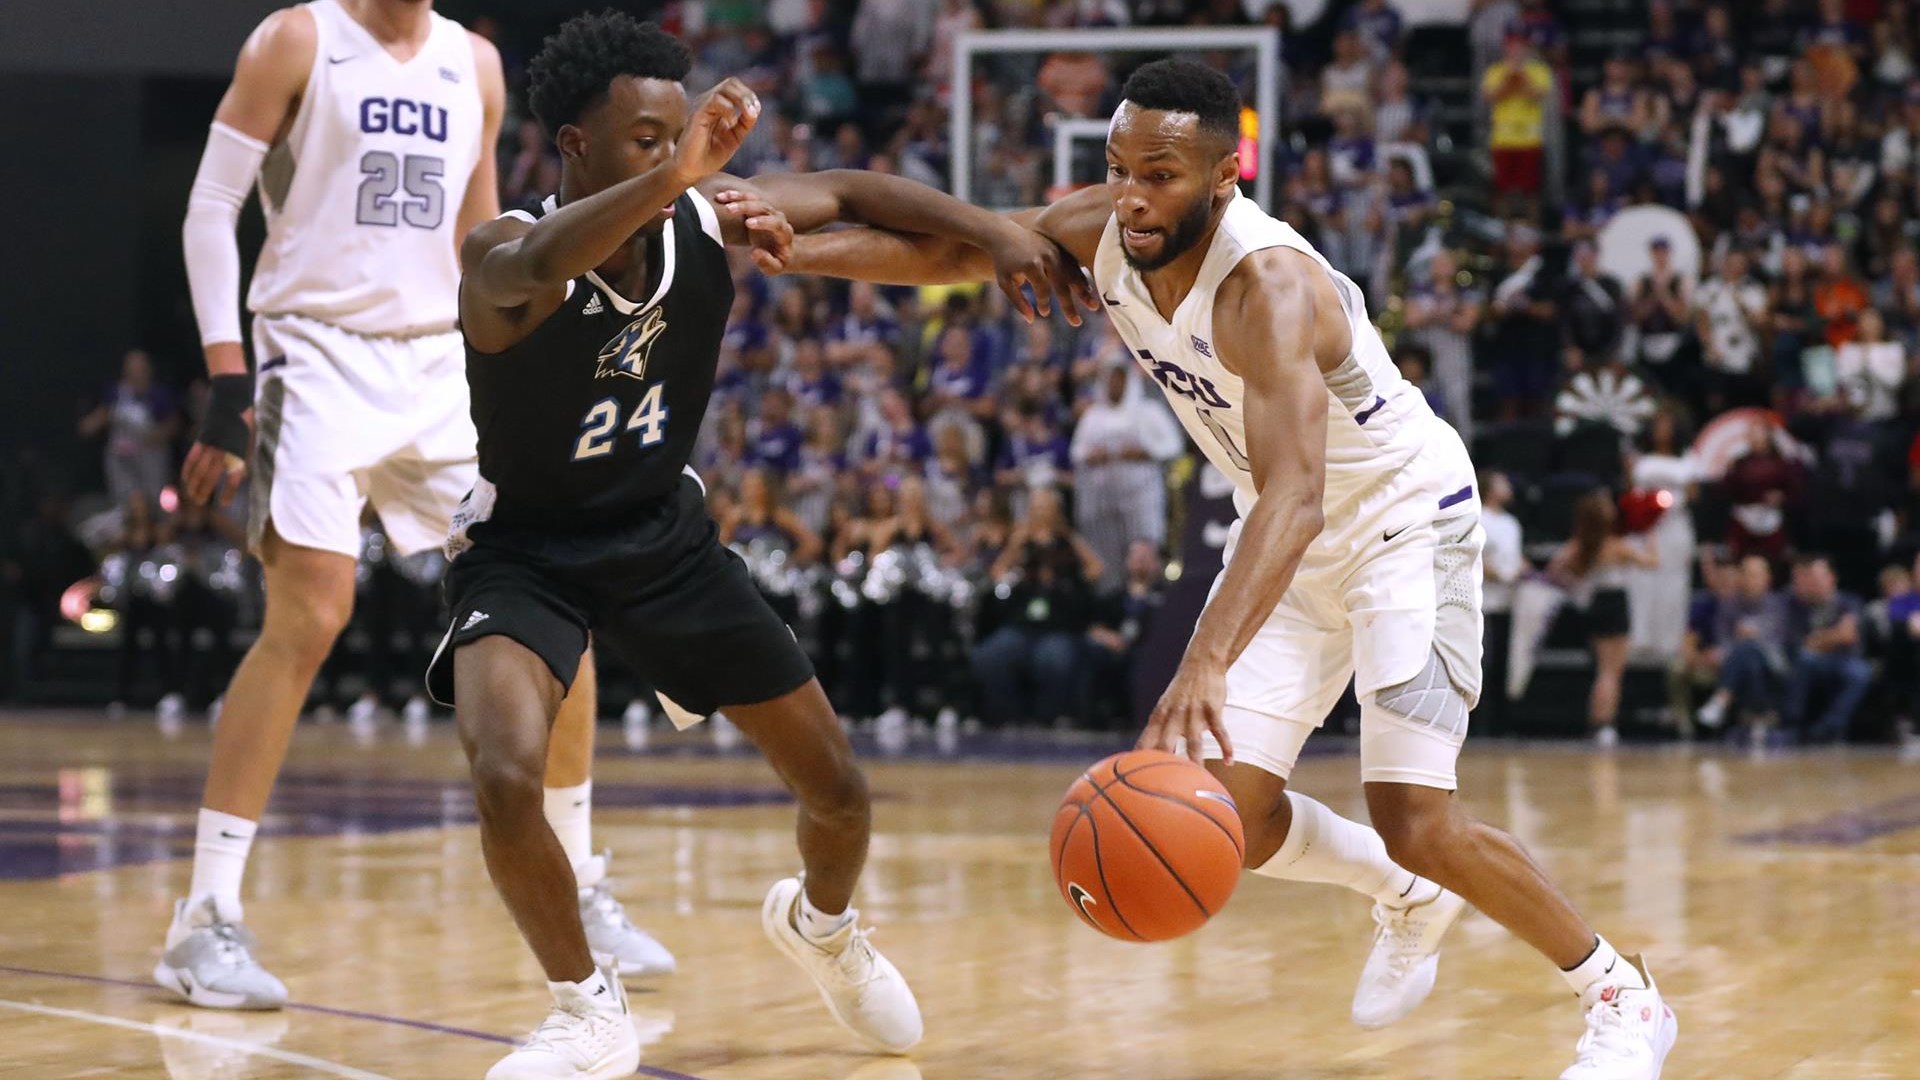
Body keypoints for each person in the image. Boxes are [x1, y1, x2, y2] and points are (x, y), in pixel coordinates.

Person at [787, 57, 1678, 1078]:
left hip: (1401, 527)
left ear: (1226, 174)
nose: (1132, 192)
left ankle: (1620, 993)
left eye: (1160, 173)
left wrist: (1202, 663)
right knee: (1229, 818)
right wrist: (799, 253)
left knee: (1416, 814)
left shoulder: (1270, 285)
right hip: (1284, 535)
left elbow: (1300, 492)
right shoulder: (1109, 229)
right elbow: (955, 246)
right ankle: (1405, 894)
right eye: (1120, 166)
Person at [430, 13, 1080, 1076]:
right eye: (645, 141)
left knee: (838, 791)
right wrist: (675, 176)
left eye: (676, 135)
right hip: (527, 551)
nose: (672, 158)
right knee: (505, 774)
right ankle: (588, 1010)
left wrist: (994, 231)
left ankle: (822, 927)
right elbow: (546, 256)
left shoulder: (700, 220)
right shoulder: (502, 251)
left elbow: (856, 189)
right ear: (575, 148)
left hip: (664, 544)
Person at [162, 0, 672, 1013]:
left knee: (554, 606)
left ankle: (578, 881)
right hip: (310, 349)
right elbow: (211, 206)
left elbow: (477, 242)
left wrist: (524, 357)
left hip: (437, 361)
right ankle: (204, 918)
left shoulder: (473, 64)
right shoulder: (297, 40)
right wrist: (226, 381)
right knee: (309, 616)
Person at [1550, 491, 1659, 747]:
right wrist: (1651, 535)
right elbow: (1653, 562)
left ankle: (1596, 722)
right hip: (1615, 603)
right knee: (1611, 672)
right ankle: (1605, 724)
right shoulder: (1616, 546)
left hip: (1595, 603)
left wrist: (1576, 582)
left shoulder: (1581, 544)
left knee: (1603, 669)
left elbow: (1555, 568)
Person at [1783, 554, 1874, 743]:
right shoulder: (1798, 605)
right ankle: (1791, 725)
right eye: (1810, 578)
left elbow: (1848, 635)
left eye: (1817, 577)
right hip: (1812, 662)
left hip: (1844, 660)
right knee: (1804, 659)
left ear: (1831, 577)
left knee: (1861, 672)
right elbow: (1803, 644)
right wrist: (1834, 635)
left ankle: (1830, 727)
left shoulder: (1849, 602)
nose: (1813, 583)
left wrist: (1820, 640)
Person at [1477, 470, 1526, 735]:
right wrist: (1500, 574)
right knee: (1483, 662)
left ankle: (1500, 721)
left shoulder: (1510, 523)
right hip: (1484, 603)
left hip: (1506, 603)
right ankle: (1479, 722)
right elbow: (1475, 557)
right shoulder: (1479, 517)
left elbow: (1515, 559)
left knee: (1502, 664)